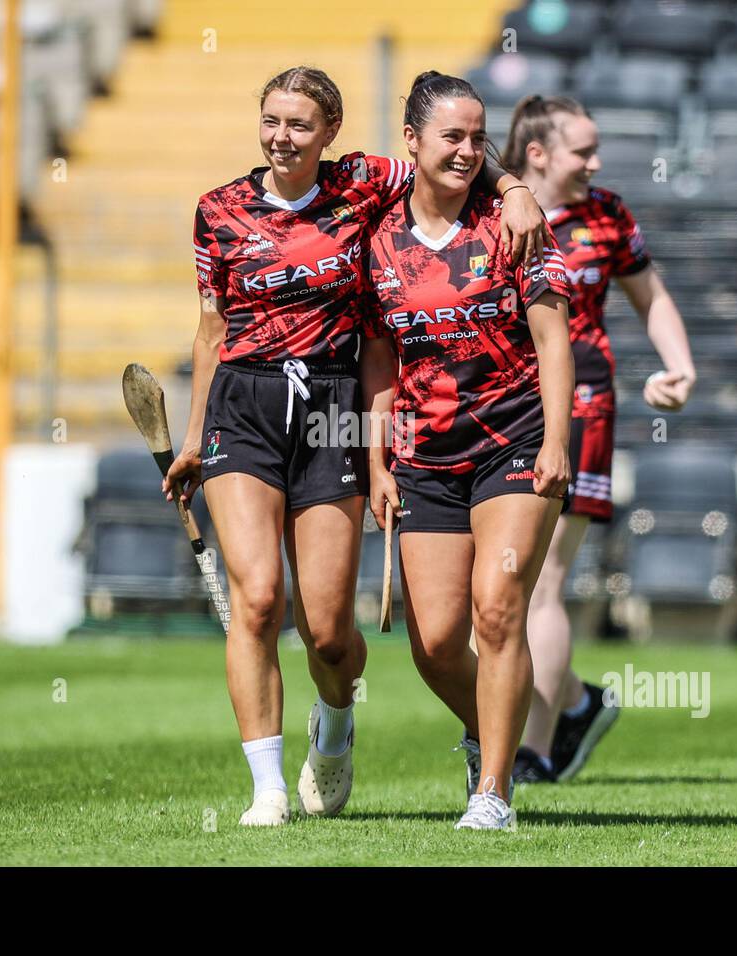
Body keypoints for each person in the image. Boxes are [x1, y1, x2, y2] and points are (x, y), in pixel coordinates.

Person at [164, 66, 554, 826]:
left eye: (300, 124)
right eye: (272, 120)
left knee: (332, 632)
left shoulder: (364, 182)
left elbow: (462, 158)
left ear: (330, 132)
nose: (282, 136)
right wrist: (191, 436)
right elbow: (211, 330)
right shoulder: (217, 212)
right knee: (256, 599)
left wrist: (514, 190)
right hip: (242, 408)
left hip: (333, 411)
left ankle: (336, 721)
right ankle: (268, 789)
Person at [364, 71, 575, 830]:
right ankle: (488, 730)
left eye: (477, 138)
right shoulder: (378, 239)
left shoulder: (514, 223)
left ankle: (494, 793)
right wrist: (377, 459)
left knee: (498, 608)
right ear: (412, 141)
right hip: (425, 458)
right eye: (451, 136)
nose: (466, 151)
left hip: (515, 442)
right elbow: (381, 358)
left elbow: (554, 341)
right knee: (435, 642)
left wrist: (557, 441)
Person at [500, 95, 696, 784]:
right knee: (492, 591)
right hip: (492, 406)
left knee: (541, 583)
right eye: (583, 150)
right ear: (537, 154)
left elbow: (652, 296)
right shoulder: (488, 210)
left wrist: (679, 364)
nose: (596, 162)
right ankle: (579, 702)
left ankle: (535, 752)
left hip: (581, 402)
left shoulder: (607, 214)